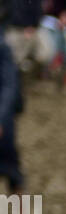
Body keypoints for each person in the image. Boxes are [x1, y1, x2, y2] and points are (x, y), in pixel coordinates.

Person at [0, 25, 24, 194]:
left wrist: (1, 119)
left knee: (11, 169)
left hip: (3, 117)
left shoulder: (2, 47)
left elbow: (10, 85)